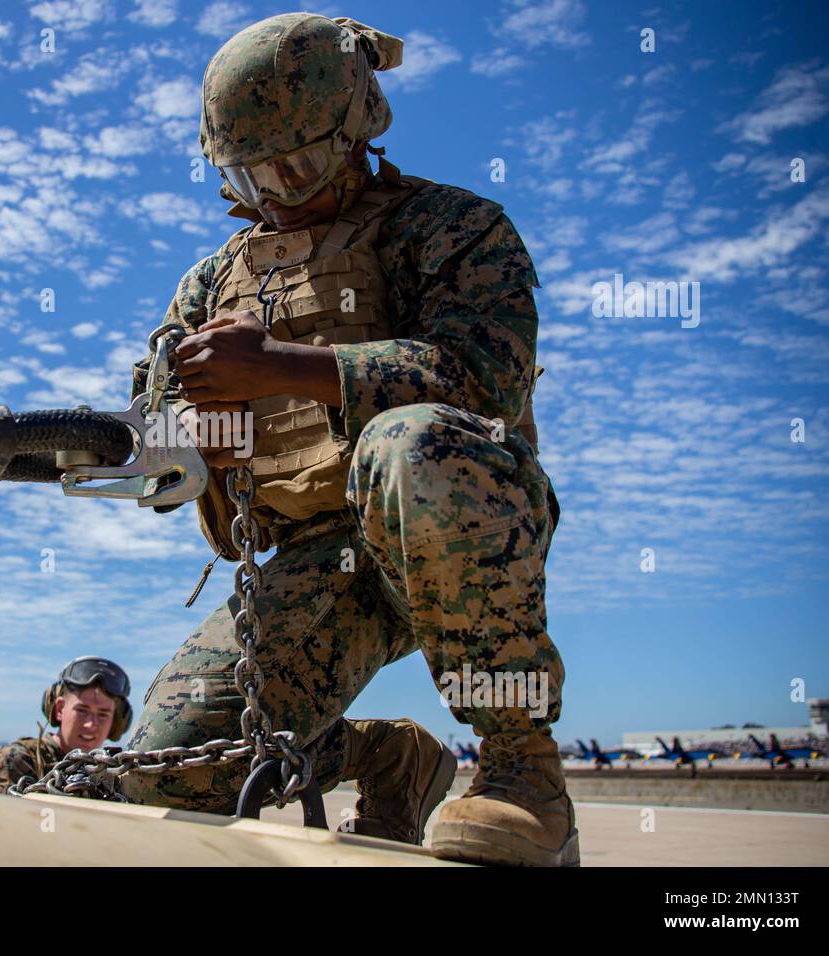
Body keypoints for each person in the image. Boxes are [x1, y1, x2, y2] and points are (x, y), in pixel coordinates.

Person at [117, 13, 577, 866]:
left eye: (296, 164)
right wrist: (185, 445)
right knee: (165, 775)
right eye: (250, 175)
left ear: (358, 129)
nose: (277, 193)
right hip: (317, 565)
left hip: (450, 527)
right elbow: (154, 445)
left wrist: (283, 364)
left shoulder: (453, 228)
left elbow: (486, 378)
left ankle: (522, 769)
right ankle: (388, 759)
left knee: (412, 443)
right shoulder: (213, 282)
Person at [0, 657, 132, 792]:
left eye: (103, 714)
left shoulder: (115, 775)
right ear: (59, 709)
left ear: (116, 722)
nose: (90, 724)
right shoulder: (14, 761)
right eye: (82, 710)